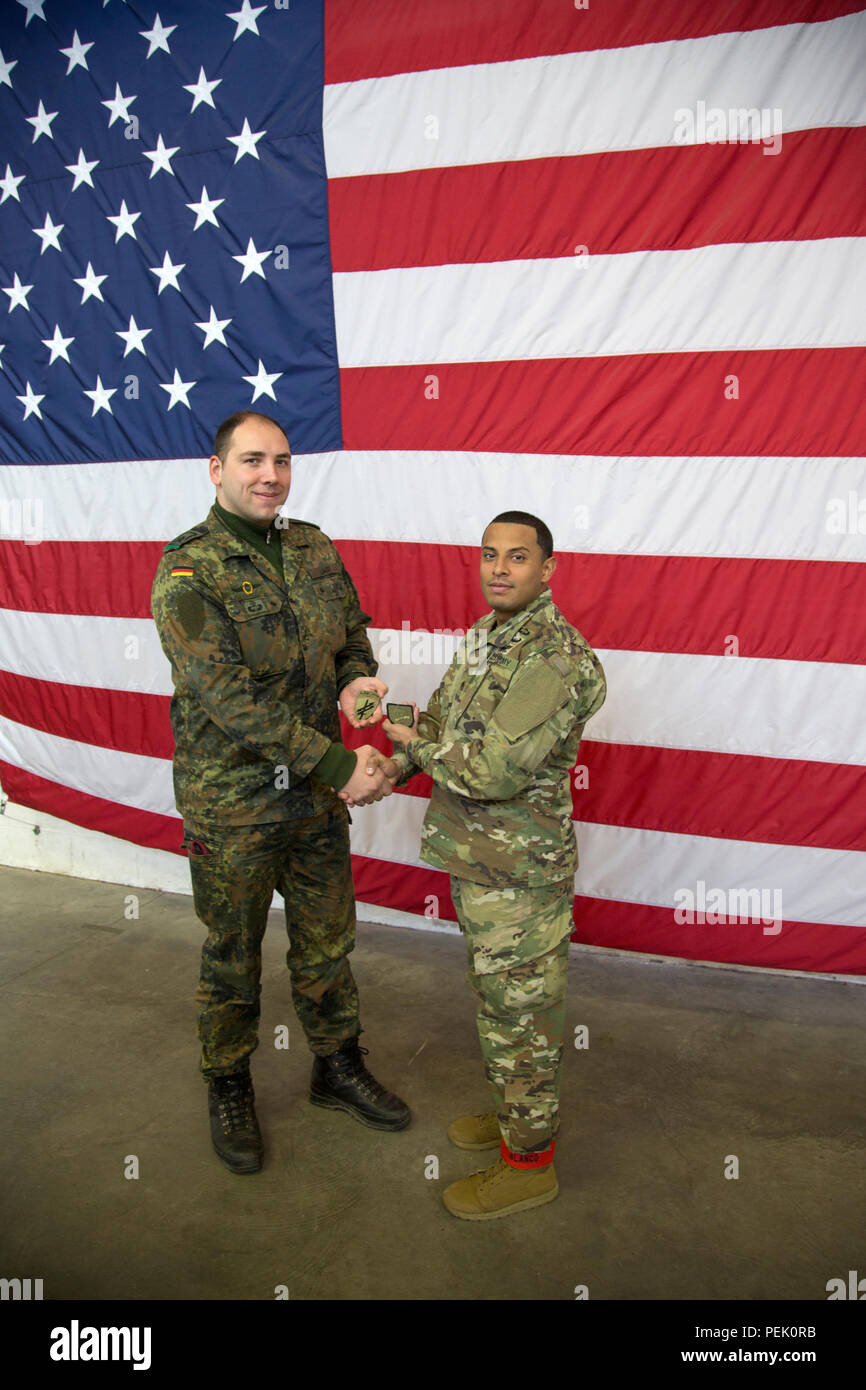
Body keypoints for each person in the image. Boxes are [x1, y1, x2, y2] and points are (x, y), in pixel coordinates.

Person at [150, 410, 410, 1175]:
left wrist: (358, 677)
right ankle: (228, 1083)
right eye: (253, 460)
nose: (270, 475)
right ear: (217, 469)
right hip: (233, 804)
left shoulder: (312, 546)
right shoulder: (187, 571)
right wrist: (337, 765)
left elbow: (348, 633)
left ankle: (336, 1066)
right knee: (232, 954)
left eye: (282, 461)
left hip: (311, 802)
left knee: (328, 944)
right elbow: (229, 700)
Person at [373, 511, 606, 1220]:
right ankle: (514, 1119)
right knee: (499, 1007)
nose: (499, 568)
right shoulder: (487, 635)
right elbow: (445, 724)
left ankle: (529, 1165)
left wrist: (412, 749)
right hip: (476, 860)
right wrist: (394, 734)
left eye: (518, 557)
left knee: (524, 1020)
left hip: (519, 874)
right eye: (490, 555)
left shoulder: (555, 658)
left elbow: (495, 769)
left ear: (548, 569)